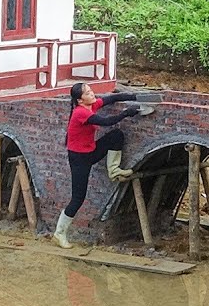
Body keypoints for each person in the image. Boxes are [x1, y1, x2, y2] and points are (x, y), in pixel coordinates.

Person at [55, 83, 148, 248]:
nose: (92, 94)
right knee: (78, 198)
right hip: (79, 158)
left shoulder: (91, 105)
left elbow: (114, 98)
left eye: (91, 91)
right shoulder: (80, 113)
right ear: (79, 99)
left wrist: (136, 97)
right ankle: (60, 232)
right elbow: (106, 121)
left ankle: (114, 170)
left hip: (90, 151)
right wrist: (127, 113)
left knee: (116, 136)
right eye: (88, 93)